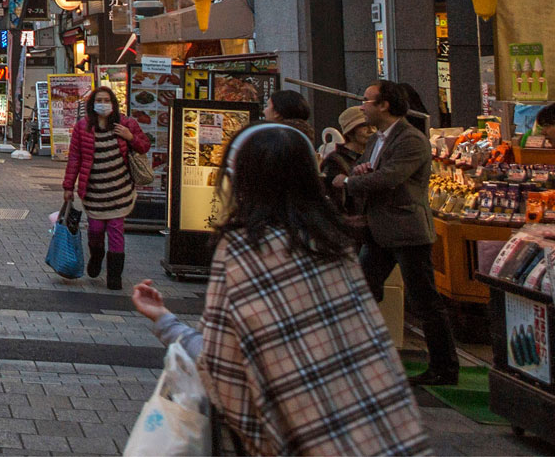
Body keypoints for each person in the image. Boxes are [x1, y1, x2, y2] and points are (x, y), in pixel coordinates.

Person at [130, 122, 429, 454]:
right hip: (385, 433)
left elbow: (220, 363)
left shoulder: (243, 250)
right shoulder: (333, 244)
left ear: (239, 179)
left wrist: (165, 321)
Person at [332, 78, 458, 386]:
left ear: (384, 105)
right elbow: (367, 168)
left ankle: (445, 366)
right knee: (360, 290)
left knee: (424, 300)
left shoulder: (410, 140)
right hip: (378, 230)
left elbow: (390, 178)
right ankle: (355, 357)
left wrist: (349, 182)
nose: (362, 106)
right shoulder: (377, 140)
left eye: (367, 100)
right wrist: (360, 172)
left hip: (406, 230)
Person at [60, 84, 148, 291]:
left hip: (119, 189)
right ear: (92, 104)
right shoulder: (83, 127)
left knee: (116, 231)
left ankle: (114, 277)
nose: (103, 104)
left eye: (107, 101)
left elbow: (144, 146)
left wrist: (129, 136)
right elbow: (75, 158)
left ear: (114, 104)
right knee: (96, 230)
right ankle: (96, 256)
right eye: (99, 100)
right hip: (94, 191)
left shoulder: (126, 123)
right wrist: (68, 187)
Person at [318, 104, 373, 192]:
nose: (371, 130)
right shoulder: (335, 161)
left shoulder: (374, 155)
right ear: (350, 132)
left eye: (373, 125)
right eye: (364, 126)